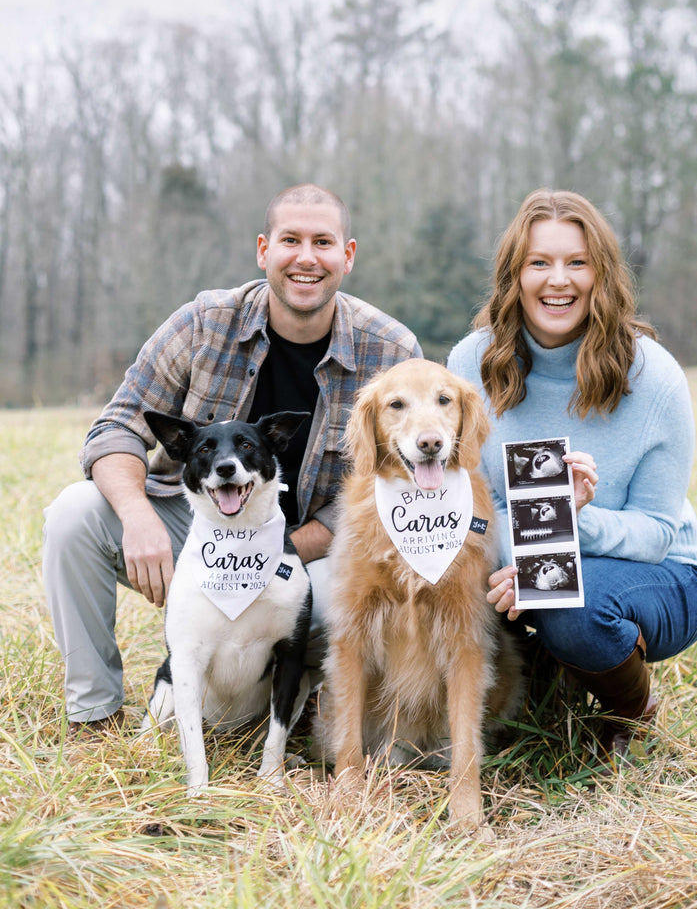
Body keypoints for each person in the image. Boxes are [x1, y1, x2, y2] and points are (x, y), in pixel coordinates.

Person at [43, 183, 422, 736]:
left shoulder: (390, 351)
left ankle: (295, 703)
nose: (306, 258)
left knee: (324, 607)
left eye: (323, 242)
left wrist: (272, 552)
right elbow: (116, 426)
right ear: (264, 250)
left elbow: (397, 484)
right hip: (194, 533)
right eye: (291, 240)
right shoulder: (203, 322)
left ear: (348, 255)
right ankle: (94, 716)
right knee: (75, 515)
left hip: (308, 550)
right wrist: (139, 516)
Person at [447, 188, 697, 758]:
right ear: (513, 276)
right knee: (448, 573)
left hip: (665, 571)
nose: (558, 280)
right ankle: (542, 677)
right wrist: (525, 559)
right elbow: (473, 500)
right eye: (539, 263)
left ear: (602, 274)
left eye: (577, 262)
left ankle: (633, 711)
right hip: (524, 563)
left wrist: (569, 527)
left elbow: (656, 531)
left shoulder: (655, 378)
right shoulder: (470, 364)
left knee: (569, 604)